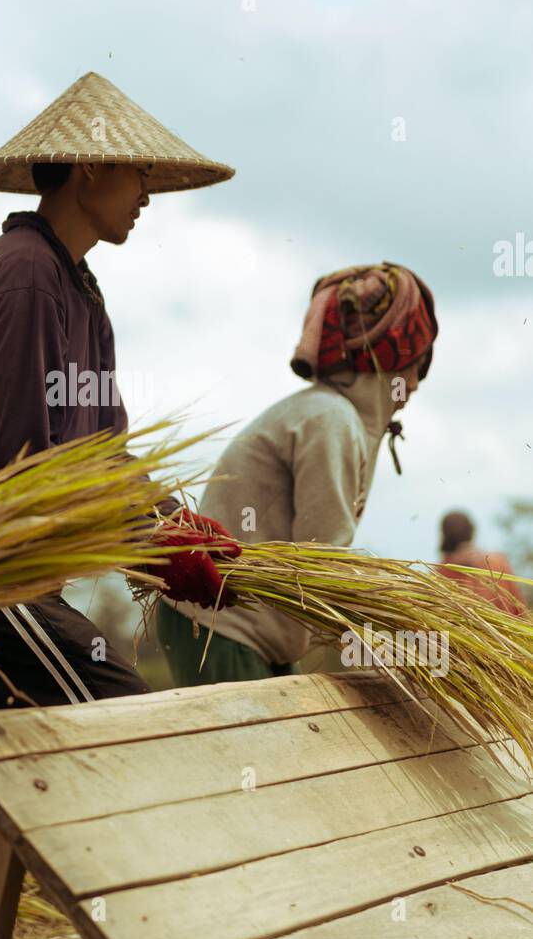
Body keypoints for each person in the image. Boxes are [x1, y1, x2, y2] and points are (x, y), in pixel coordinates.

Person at [0, 71, 237, 939]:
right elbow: (40, 470)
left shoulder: (81, 292)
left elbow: (101, 452)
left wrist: (174, 528)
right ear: (83, 174)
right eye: (136, 173)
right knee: (128, 730)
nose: (147, 192)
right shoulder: (26, 274)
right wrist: (142, 542)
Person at [158, 262, 439, 685]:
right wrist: (407, 623)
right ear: (390, 362)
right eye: (418, 366)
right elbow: (324, 559)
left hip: (254, 632)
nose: (415, 386)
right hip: (220, 626)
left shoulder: (333, 415)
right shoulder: (330, 421)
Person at [437, 510, 526, 615]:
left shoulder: (440, 573)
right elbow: (520, 609)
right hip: (509, 630)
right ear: (472, 531)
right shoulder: (499, 562)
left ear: (444, 535)